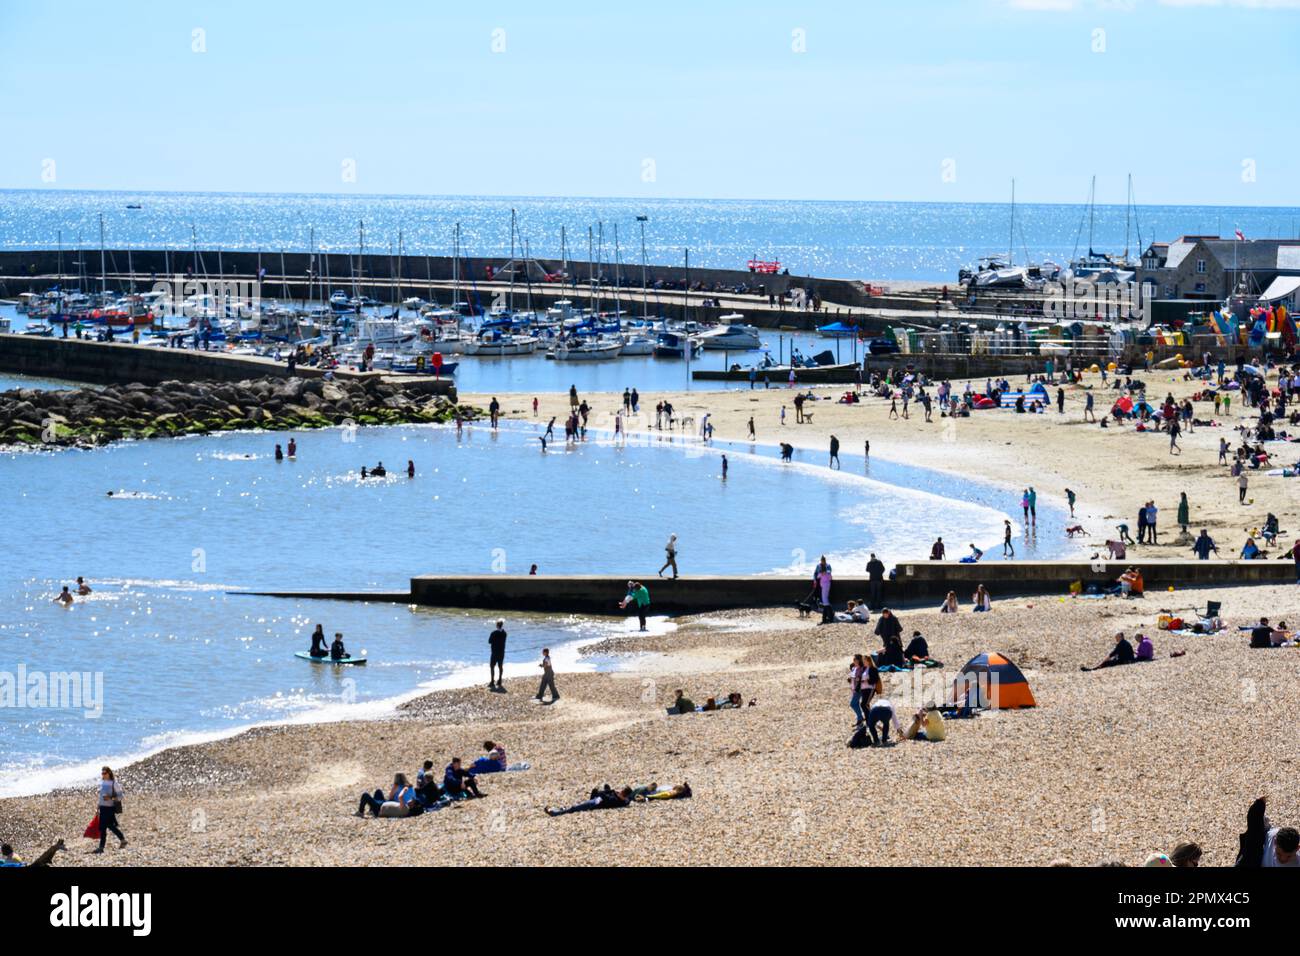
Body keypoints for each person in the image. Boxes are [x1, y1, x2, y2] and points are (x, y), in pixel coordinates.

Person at [1236, 797, 1299, 867]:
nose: (1283, 859)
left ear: (1297, 849)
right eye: (1279, 854)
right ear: (1275, 842)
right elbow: (1255, 828)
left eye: (1289, 856)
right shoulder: (1271, 835)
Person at [93, 766, 126, 853]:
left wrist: (110, 797)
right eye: (102, 773)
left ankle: (101, 848)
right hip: (103, 808)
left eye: (105, 773)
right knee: (110, 826)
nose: (103, 775)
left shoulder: (114, 783)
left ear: (109, 773)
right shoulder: (103, 783)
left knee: (103, 827)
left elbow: (120, 796)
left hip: (110, 808)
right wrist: (98, 807)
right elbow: (101, 797)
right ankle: (123, 840)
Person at [546, 785, 632, 816]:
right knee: (575, 807)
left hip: (595, 803)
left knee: (574, 808)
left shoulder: (618, 801)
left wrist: (611, 791)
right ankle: (559, 810)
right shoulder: (622, 799)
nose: (620, 791)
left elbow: (606, 798)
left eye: (622, 792)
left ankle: (554, 813)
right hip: (597, 800)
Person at [0, 839, 64, 868]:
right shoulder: (14, 855)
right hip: (24, 865)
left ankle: (56, 847)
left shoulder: (9, 860)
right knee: (41, 861)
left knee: (40, 861)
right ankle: (56, 846)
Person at [848, 654, 872, 726]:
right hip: (856, 689)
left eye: (855, 659)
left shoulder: (862, 668)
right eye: (853, 660)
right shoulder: (854, 668)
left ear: (859, 660)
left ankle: (862, 718)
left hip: (861, 689)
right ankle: (861, 719)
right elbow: (853, 677)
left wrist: (858, 679)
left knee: (854, 704)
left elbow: (864, 677)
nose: (854, 661)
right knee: (859, 704)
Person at [488, 619, 507, 689]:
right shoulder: (504, 633)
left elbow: (489, 641)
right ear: (502, 625)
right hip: (501, 652)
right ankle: (500, 680)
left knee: (492, 666)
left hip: (494, 652)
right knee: (500, 666)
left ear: (497, 625)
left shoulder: (493, 633)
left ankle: (492, 681)